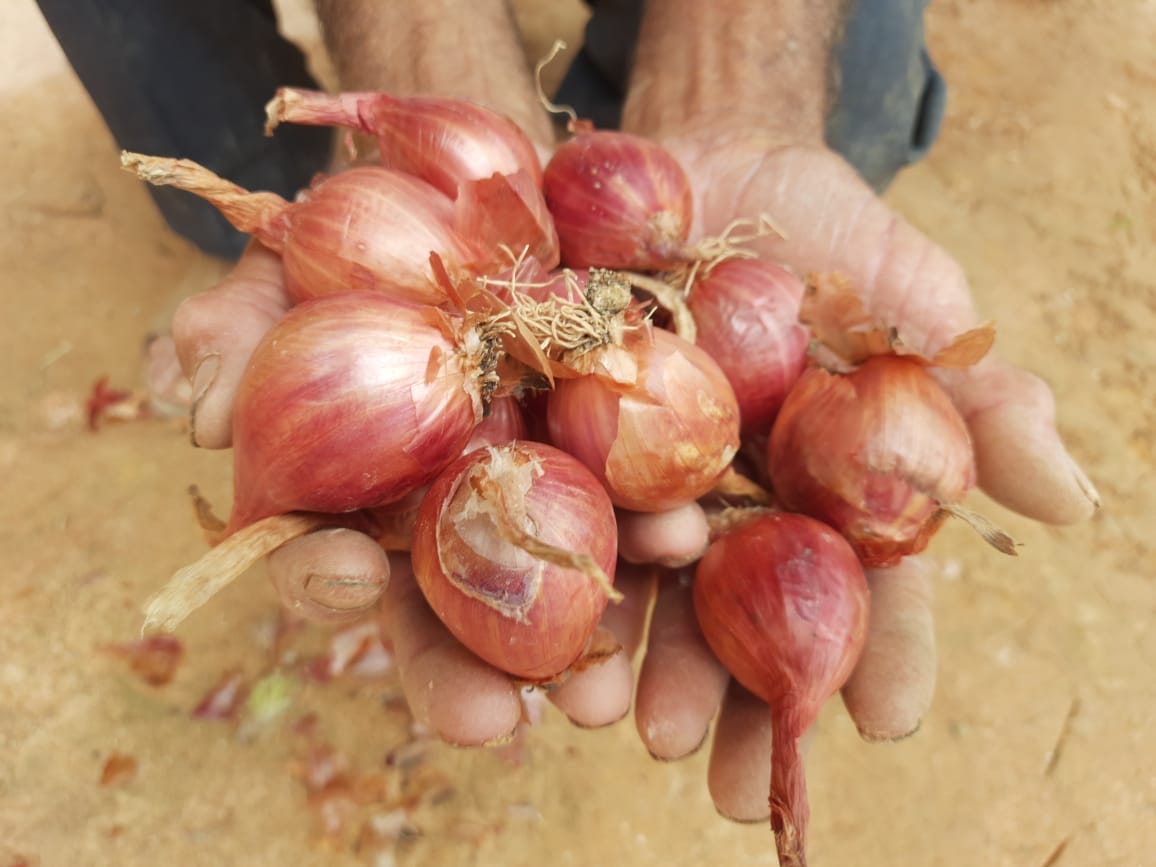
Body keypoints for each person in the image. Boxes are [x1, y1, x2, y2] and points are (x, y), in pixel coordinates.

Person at [40, 0, 1098, 823]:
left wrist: (733, 96)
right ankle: (270, 182)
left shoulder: (606, 354)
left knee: (850, 76)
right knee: (177, 75)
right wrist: (411, 87)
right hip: (443, 244)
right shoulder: (485, 380)